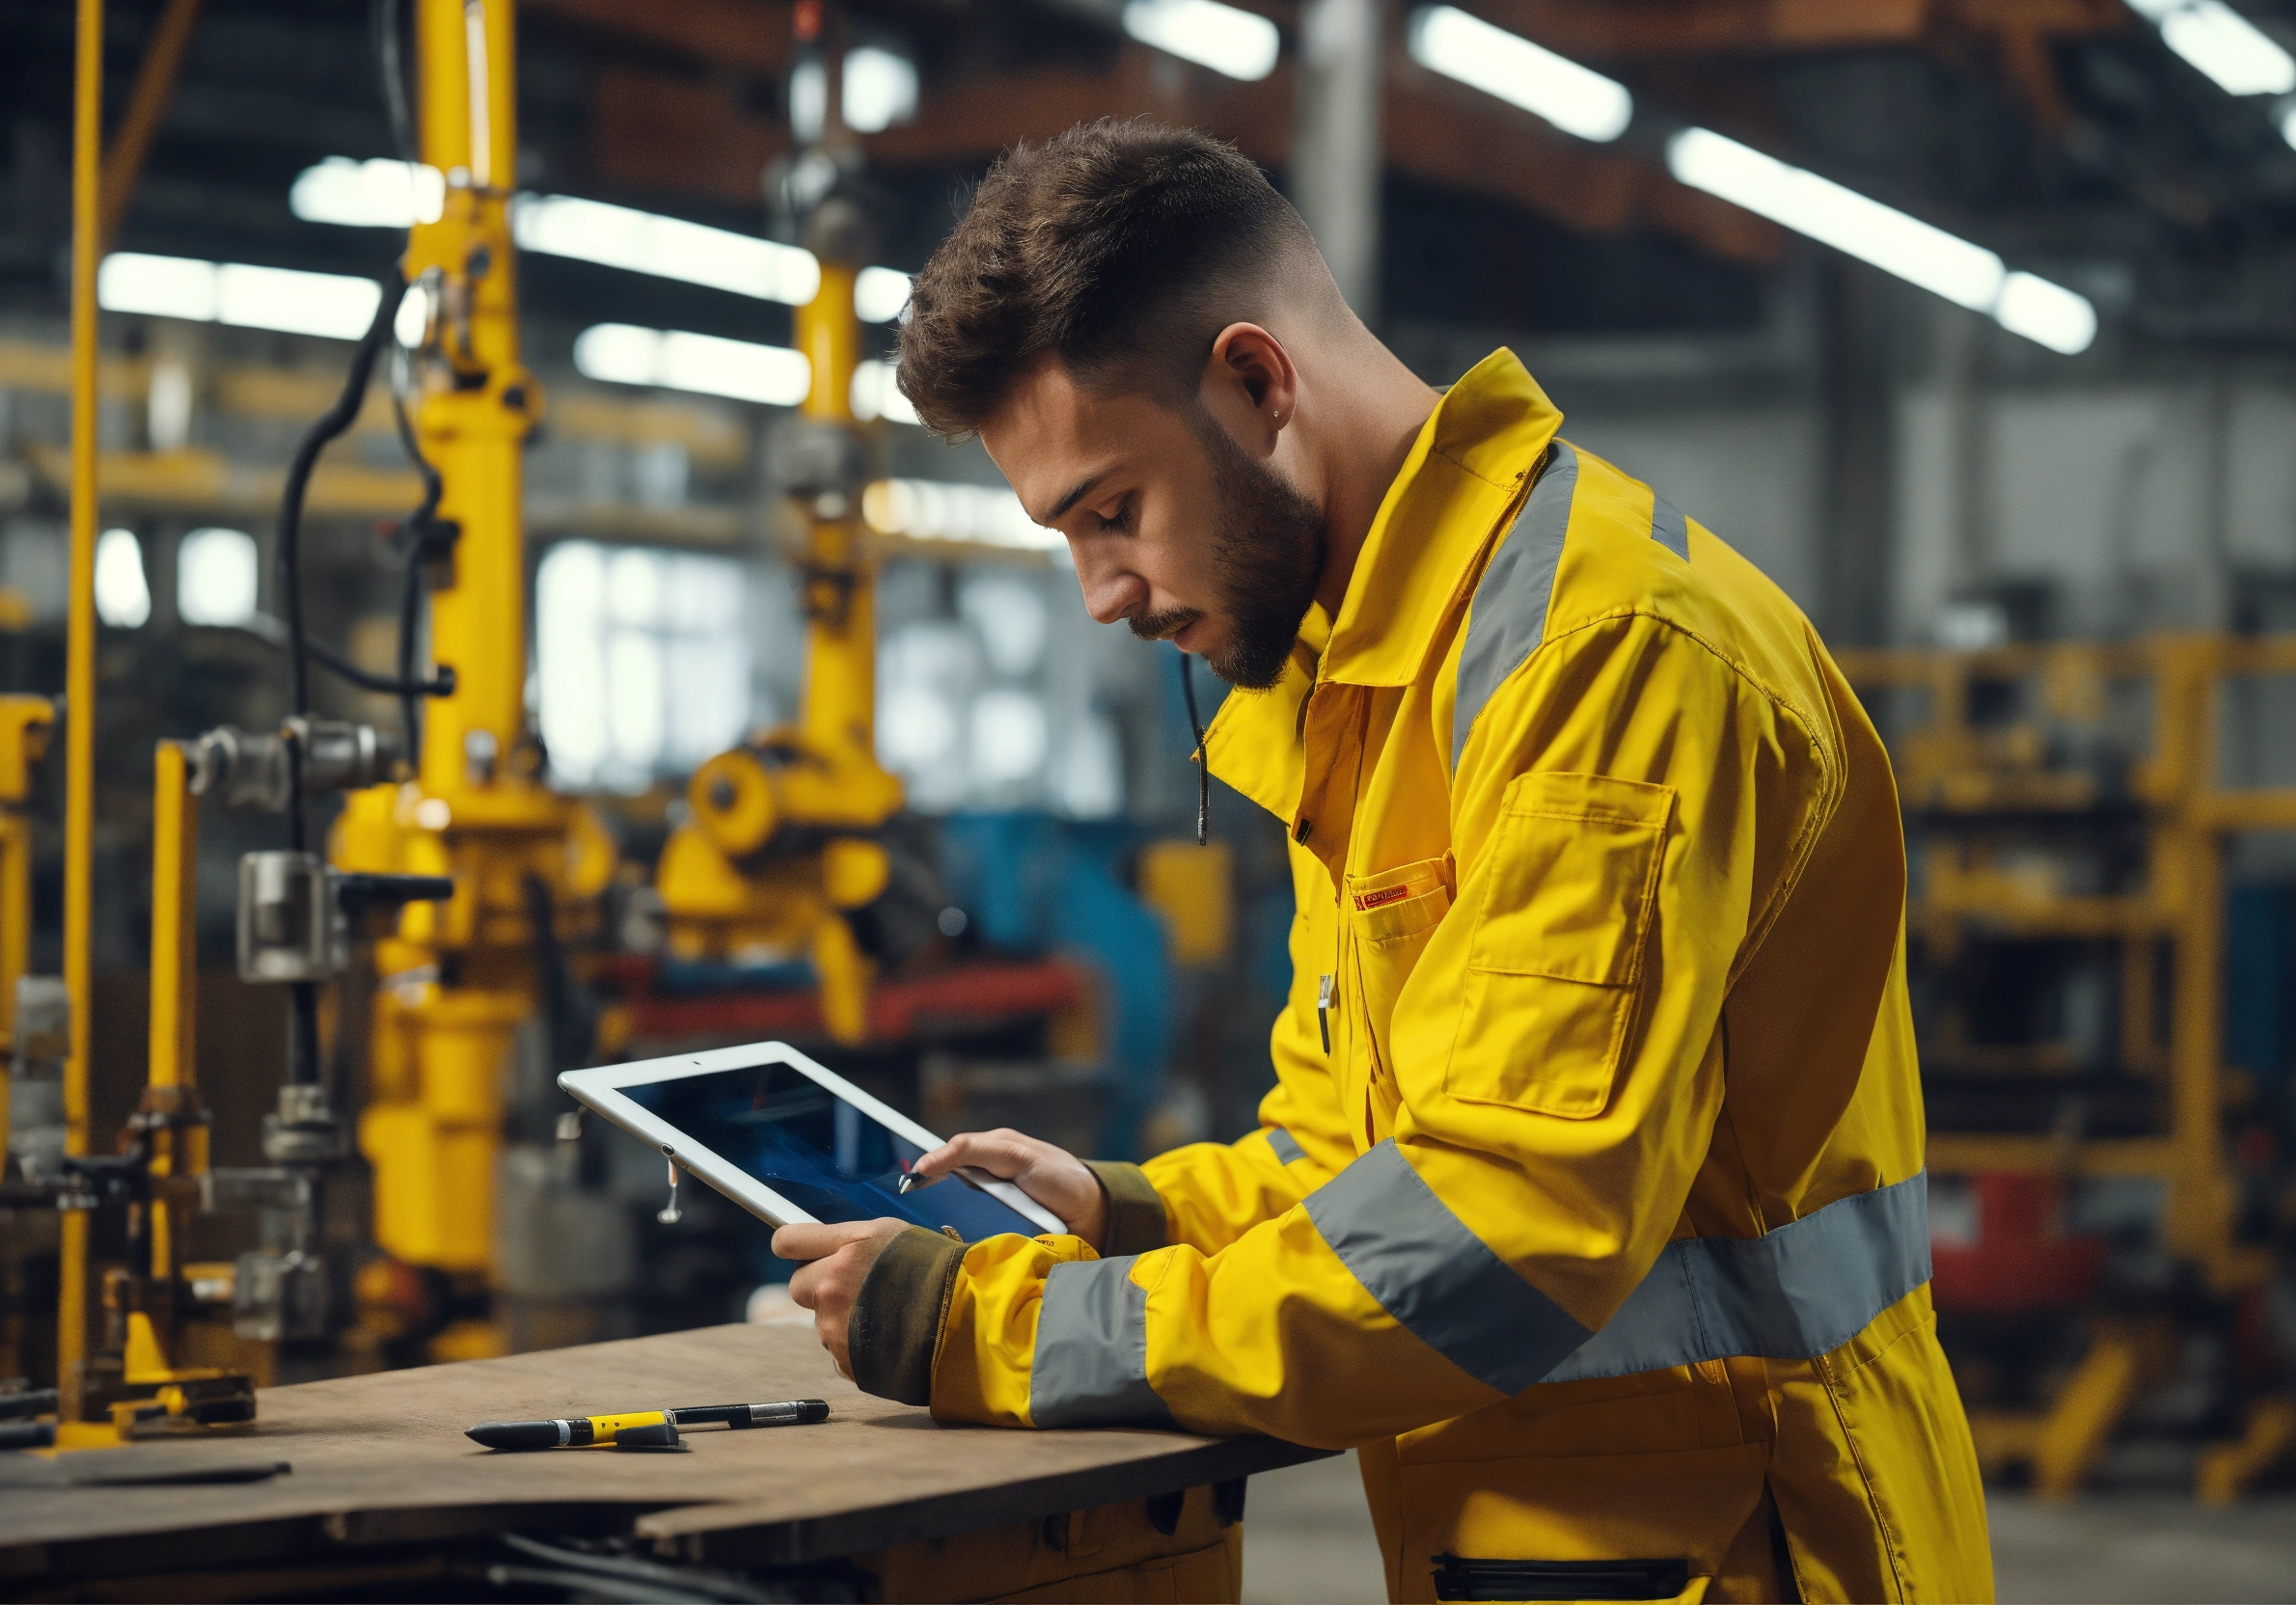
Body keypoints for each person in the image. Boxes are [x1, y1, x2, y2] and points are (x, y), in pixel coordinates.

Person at [775, 119, 1994, 1603]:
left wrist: (1006, 1329)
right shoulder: (1366, 680)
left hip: (1752, 1550)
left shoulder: (1600, 660)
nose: (1102, 593)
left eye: (1114, 512)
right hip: (1569, 1541)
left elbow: (1507, 1224)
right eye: (1068, 535)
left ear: (1256, 382)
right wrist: (1130, 1215)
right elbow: (1362, 1163)